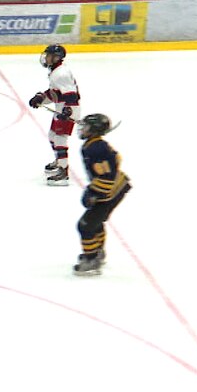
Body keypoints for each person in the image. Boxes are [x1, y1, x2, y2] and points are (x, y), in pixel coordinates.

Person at [73, 113, 131, 276]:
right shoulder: (94, 144)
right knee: (95, 222)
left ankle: (91, 260)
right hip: (114, 188)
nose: (82, 129)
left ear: (94, 130)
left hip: (109, 192)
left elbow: (107, 176)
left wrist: (94, 193)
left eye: (86, 127)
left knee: (85, 225)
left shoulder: (96, 148)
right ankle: (97, 252)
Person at [28, 44, 80, 186]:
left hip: (68, 109)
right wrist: (41, 98)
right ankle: (59, 161)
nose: (46, 58)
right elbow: (56, 94)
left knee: (59, 139)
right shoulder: (56, 71)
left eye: (49, 55)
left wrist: (68, 111)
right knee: (52, 136)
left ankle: (63, 172)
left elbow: (71, 95)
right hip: (62, 108)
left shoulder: (61, 73)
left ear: (57, 58)